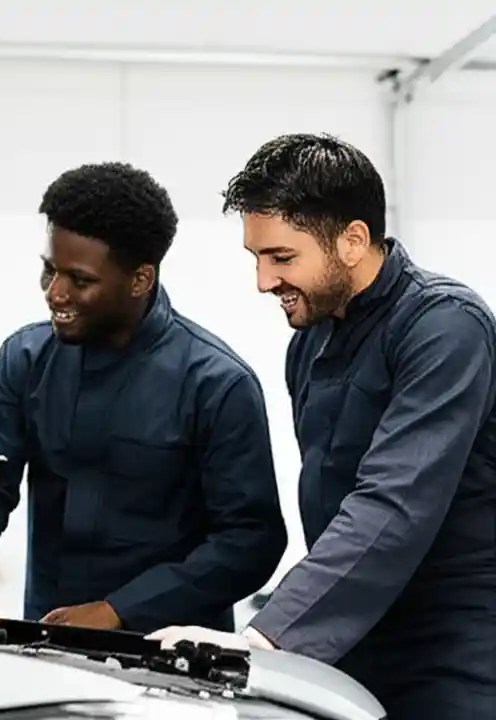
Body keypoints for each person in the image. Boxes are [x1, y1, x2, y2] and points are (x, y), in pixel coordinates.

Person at [150, 133, 496, 718]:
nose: (263, 281)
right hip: (351, 637)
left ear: (353, 240)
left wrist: (265, 639)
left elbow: (394, 502)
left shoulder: (445, 328)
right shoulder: (309, 343)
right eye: (256, 258)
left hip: (452, 644)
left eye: (282, 258)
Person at [0, 162, 288, 634]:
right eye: (49, 270)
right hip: (46, 644)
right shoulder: (25, 360)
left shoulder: (217, 384)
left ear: (140, 280)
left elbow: (250, 541)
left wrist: (122, 610)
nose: (54, 293)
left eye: (79, 280)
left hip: (170, 657)